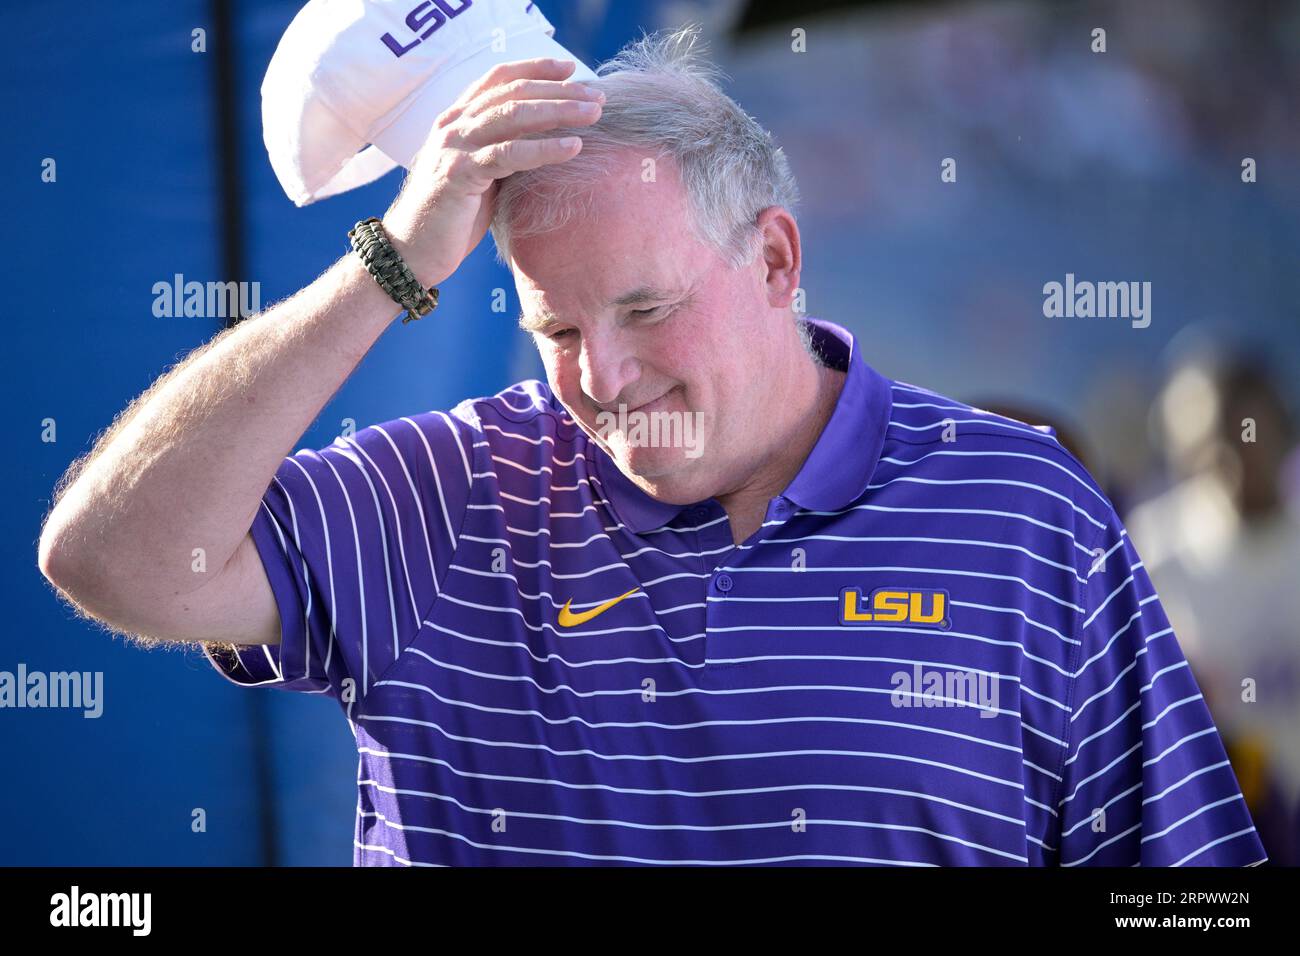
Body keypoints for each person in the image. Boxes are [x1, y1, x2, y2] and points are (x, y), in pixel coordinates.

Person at [37, 26, 1266, 867]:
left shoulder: (1020, 506)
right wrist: (389, 266)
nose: (604, 376)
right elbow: (113, 557)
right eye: (556, 327)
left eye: (643, 308)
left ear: (775, 258)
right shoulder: (445, 494)